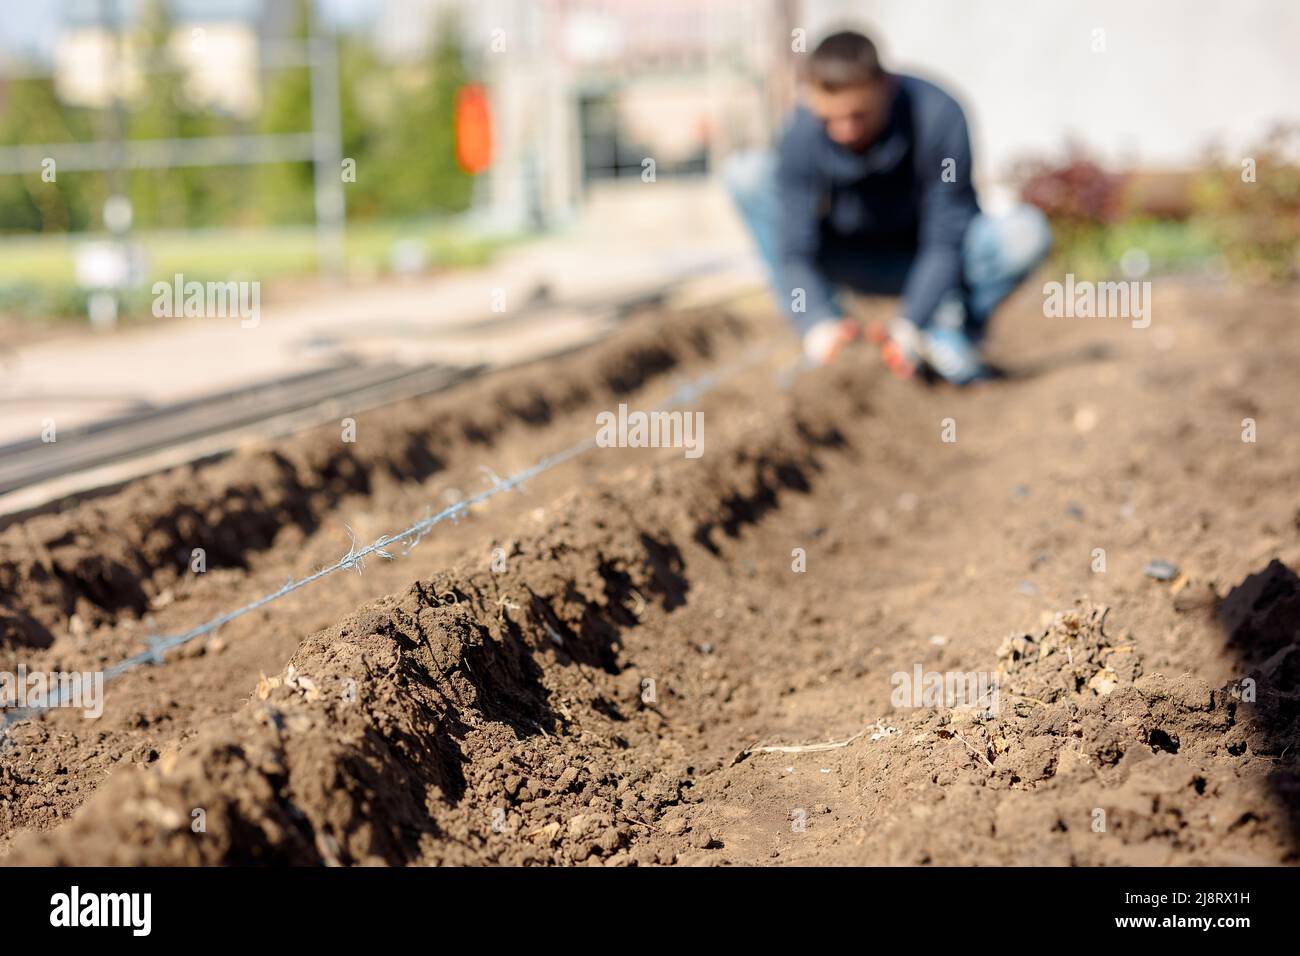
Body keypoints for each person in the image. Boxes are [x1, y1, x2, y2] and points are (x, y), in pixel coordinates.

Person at [726, 30, 1052, 384]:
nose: (844, 131)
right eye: (830, 119)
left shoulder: (940, 116)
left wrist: (911, 321)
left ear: (888, 87)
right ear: (812, 101)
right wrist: (816, 319)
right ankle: (833, 332)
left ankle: (948, 329)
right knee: (746, 175)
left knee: (1025, 233)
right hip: (847, 259)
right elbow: (793, 250)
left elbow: (945, 239)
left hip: (935, 260)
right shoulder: (801, 133)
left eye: (859, 116)